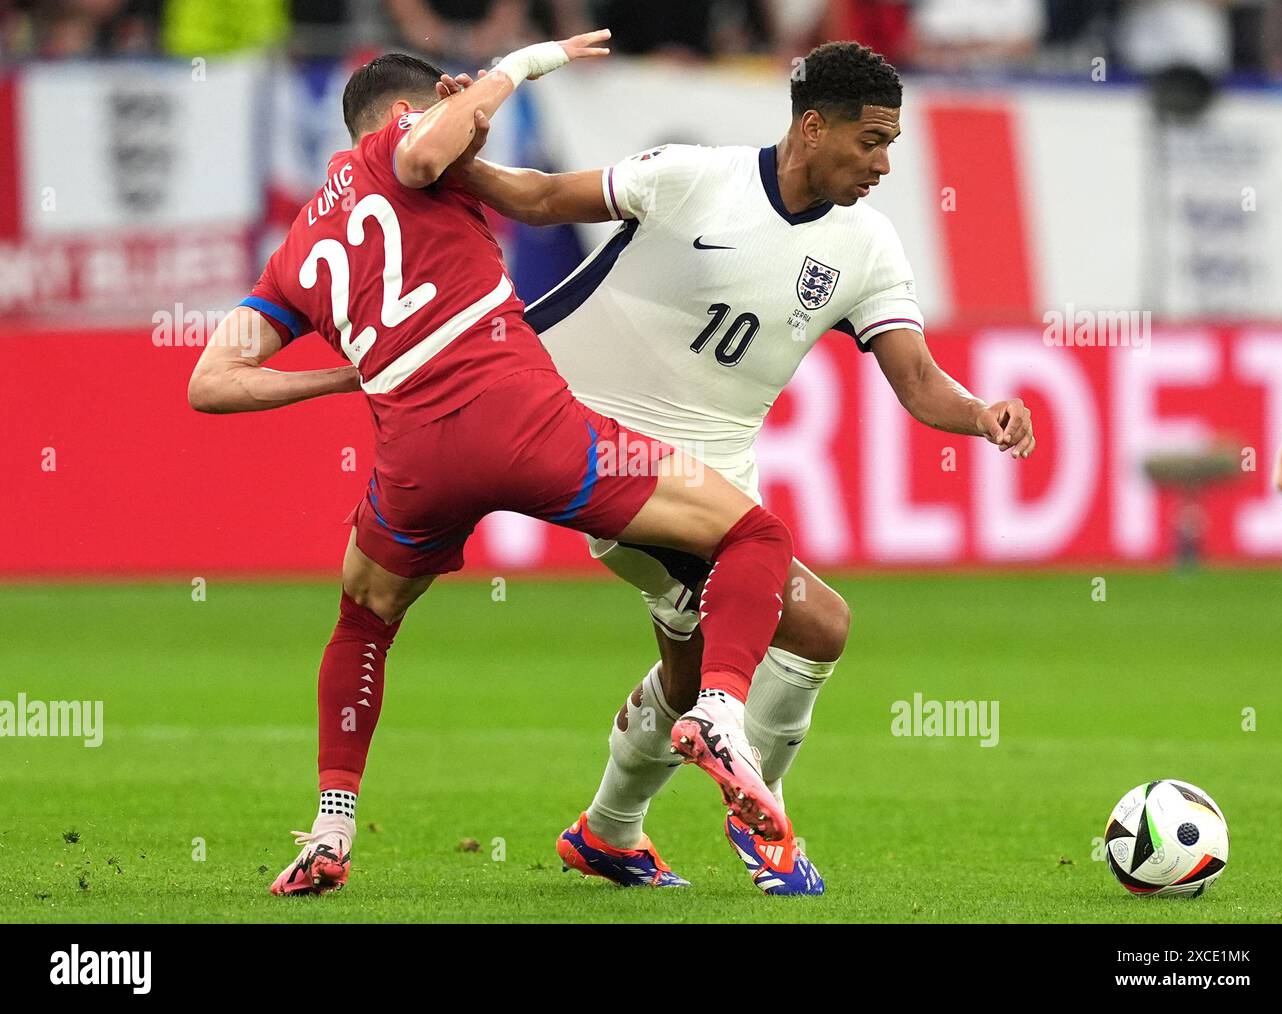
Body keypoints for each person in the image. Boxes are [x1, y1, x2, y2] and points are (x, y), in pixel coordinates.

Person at [188, 31, 801, 896]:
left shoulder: (298, 249)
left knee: (364, 616)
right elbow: (425, 149)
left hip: (413, 456)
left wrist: (343, 373)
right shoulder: (400, 148)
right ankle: (720, 716)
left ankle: (331, 827)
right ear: (404, 113)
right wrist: (519, 66)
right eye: (439, 100)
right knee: (754, 534)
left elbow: (210, 383)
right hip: (525, 421)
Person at [435, 40, 1036, 894]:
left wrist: (981, 414)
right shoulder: (692, 177)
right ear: (813, 126)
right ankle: (766, 815)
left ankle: (608, 832)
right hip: (607, 452)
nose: (884, 163)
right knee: (819, 625)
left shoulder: (865, 244)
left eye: (892, 143)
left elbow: (915, 378)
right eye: (870, 141)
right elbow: (538, 199)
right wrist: (466, 159)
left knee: (685, 674)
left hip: (716, 487)